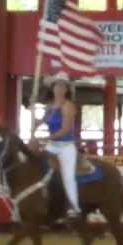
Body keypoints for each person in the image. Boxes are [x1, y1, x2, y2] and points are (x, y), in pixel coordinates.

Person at [41, 74, 82, 218]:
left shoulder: (68, 106)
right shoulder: (50, 106)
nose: (58, 88)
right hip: (52, 144)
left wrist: (46, 137)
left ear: (66, 89)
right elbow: (42, 121)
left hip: (66, 146)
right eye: (56, 85)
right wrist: (35, 123)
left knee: (68, 176)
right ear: (52, 88)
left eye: (62, 86)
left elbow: (65, 129)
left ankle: (74, 206)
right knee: (34, 162)